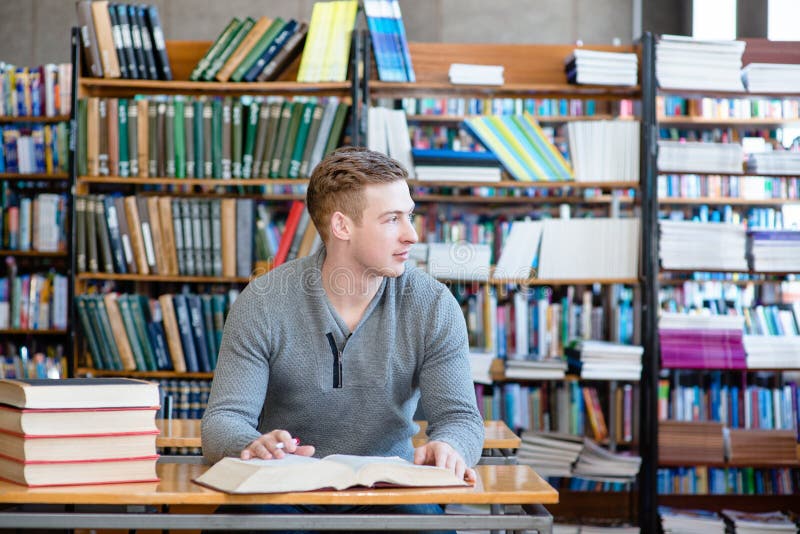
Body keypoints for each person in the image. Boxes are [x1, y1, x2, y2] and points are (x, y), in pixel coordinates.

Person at [201, 146, 485, 533]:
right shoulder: (263, 302)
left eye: (410, 216)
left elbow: (460, 418)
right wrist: (248, 445)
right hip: (283, 493)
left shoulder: (433, 305)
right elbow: (223, 420)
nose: (412, 234)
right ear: (342, 227)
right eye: (392, 219)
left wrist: (452, 447)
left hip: (391, 494)